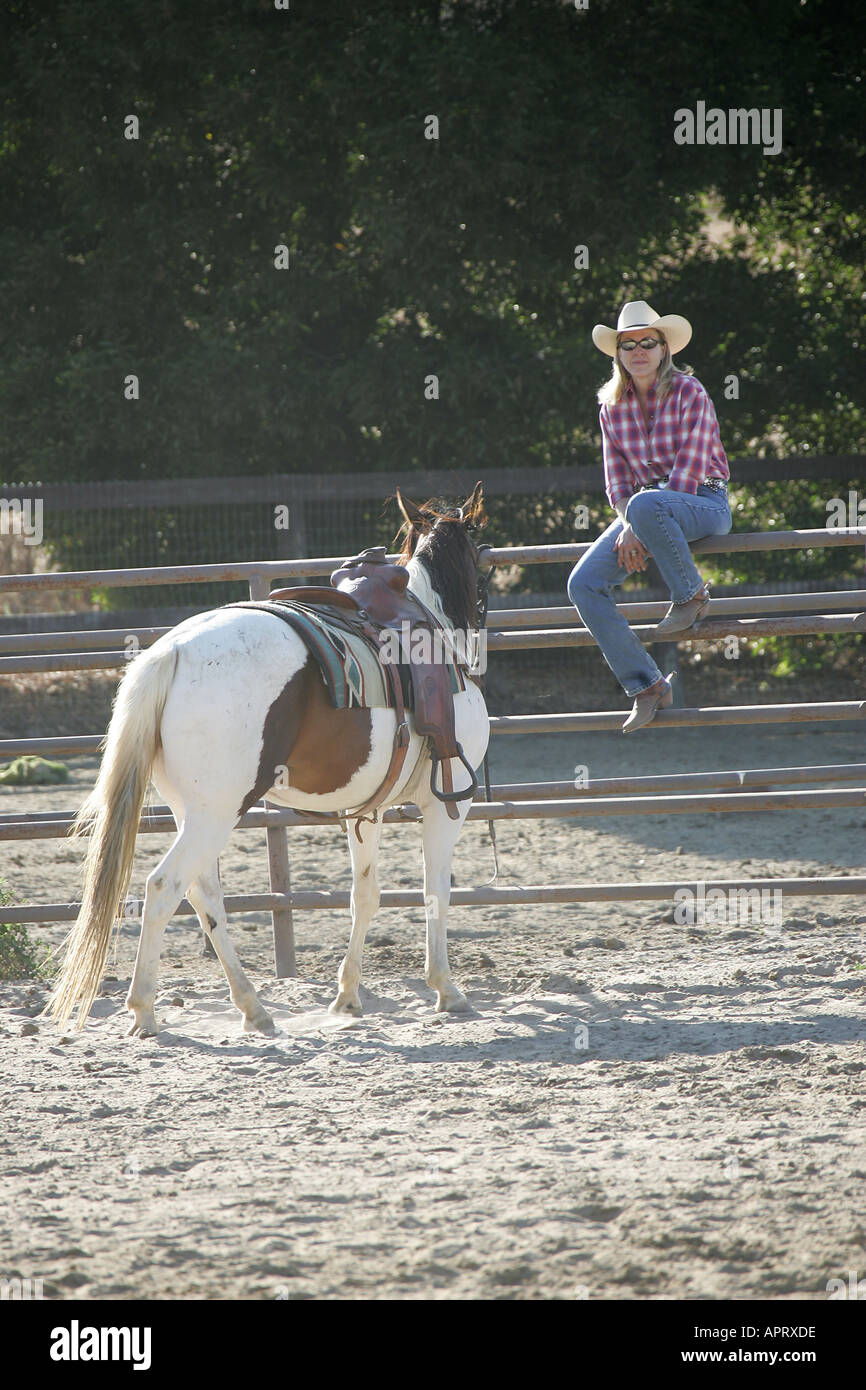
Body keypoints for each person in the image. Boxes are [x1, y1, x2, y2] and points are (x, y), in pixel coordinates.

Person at [568, 300, 731, 733]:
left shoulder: (690, 392)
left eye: (648, 342)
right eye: (628, 344)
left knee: (645, 503)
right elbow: (617, 487)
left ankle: (692, 596)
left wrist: (637, 517)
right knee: (582, 584)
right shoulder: (610, 408)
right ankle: (647, 685)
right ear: (618, 354)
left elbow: (686, 476)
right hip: (643, 511)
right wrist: (631, 523)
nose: (638, 351)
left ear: (664, 349)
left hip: (703, 501)